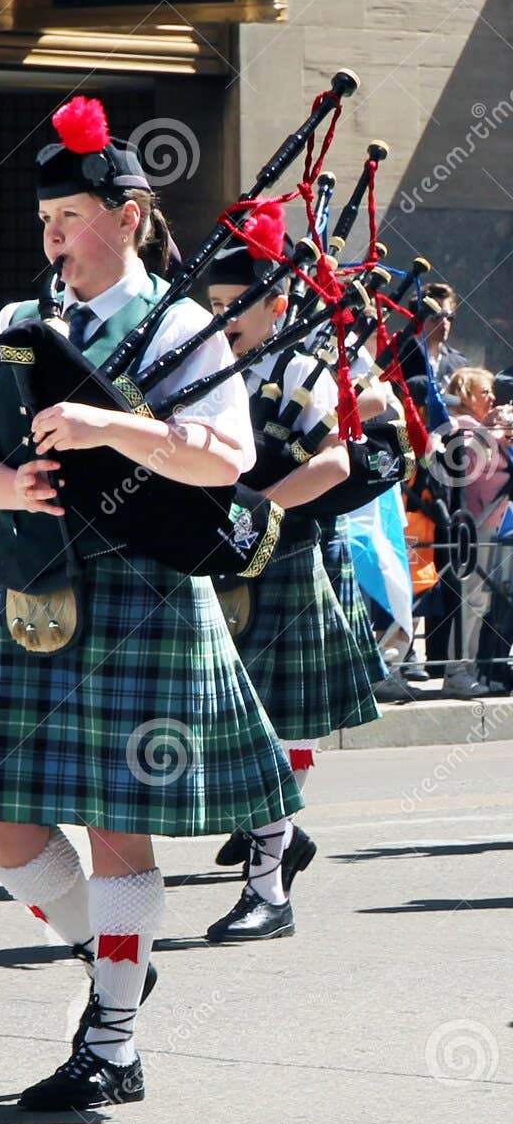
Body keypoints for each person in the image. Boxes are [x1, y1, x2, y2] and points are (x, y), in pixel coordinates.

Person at [0, 96, 300, 1110]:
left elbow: (227, 456)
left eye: (68, 219)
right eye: (43, 222)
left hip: (139, 595)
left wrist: (108, 426)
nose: (51, 240)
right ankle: (113, 954)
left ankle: (114, 1042)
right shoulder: (15, 323)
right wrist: (13, 485)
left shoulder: (181, 325)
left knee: (117, 825)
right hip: (29, 590)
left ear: (125, 214)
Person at [200, 206, 380, 939]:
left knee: (262, 734)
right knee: (229, 731)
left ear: (276, 303)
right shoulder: (203, 370)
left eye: (235, 307)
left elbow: (336, 459)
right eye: (212, 306)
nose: (221, 319)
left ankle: (269, 892)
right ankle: (278, 843)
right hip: (219, 567)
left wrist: (260, 509)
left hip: (283, 563)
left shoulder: (300, 370)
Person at [441, 367, 513, 697]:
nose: (492, 399)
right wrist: (495, 431)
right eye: (485, 392)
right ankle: (457, 670)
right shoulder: (463, 428)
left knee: (481, 600)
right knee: (470, 599)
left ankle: (471, 668)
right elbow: (472, 468)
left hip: (491, 522)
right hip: (475, 523)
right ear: (467, 392)